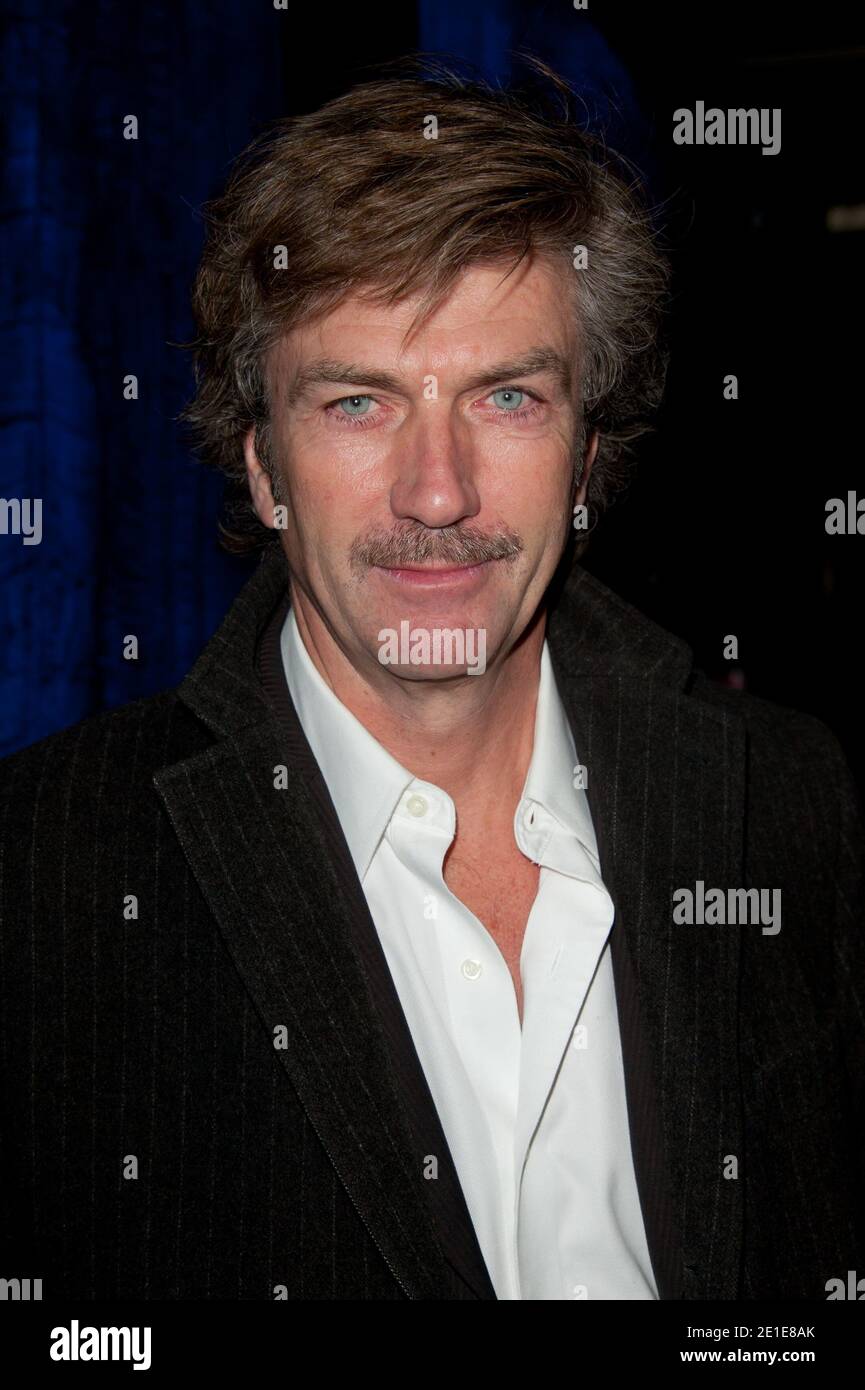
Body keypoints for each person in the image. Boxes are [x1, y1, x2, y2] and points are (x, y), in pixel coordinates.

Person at [0, 58, 862, 1302]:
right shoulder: (47, 873)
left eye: (505, 396)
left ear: (586, 455)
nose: (438, 491)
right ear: (260, 467)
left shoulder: (786, 798)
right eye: (359, 403)